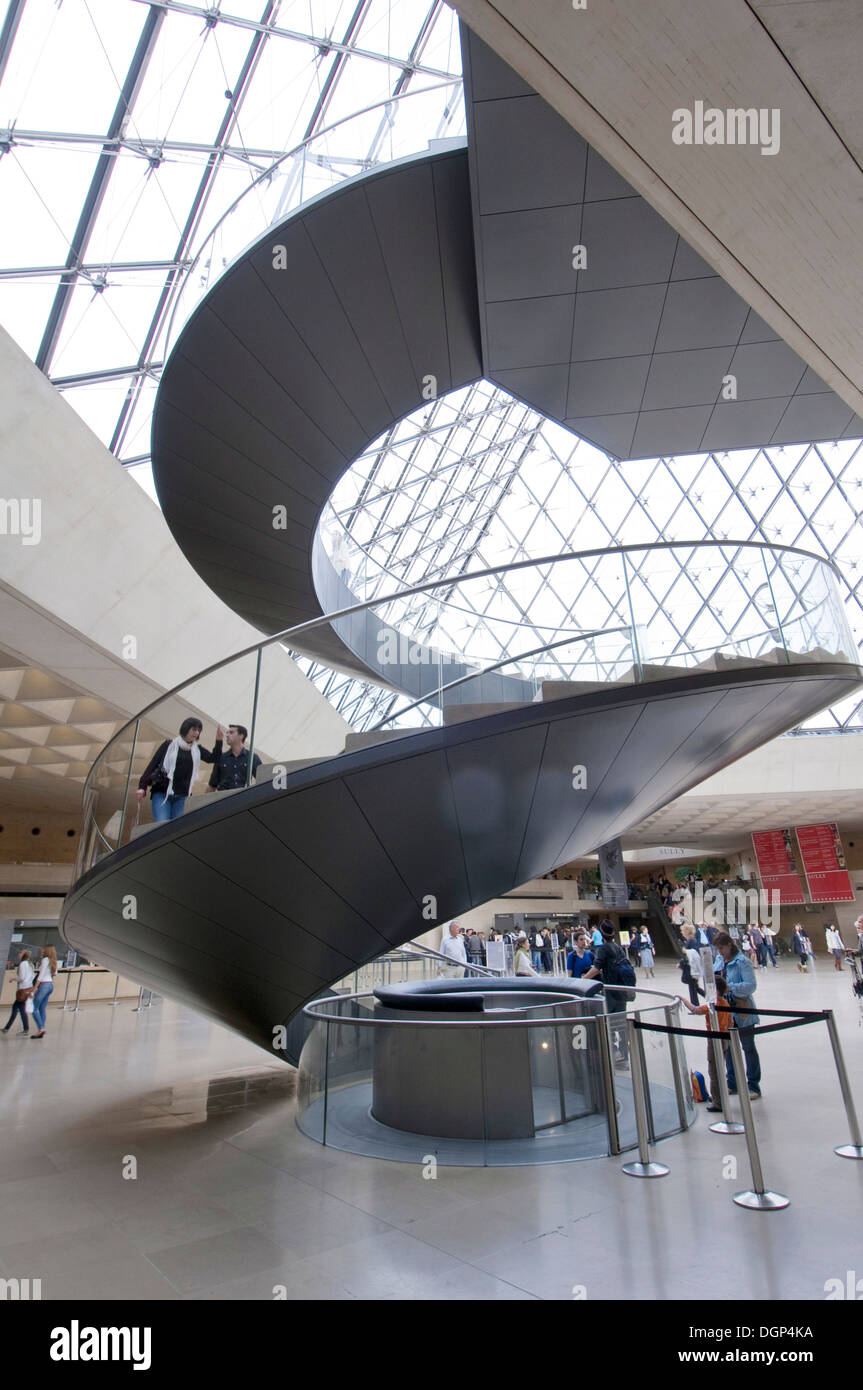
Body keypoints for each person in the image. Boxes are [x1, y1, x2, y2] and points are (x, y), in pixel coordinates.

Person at [136, 717, 218, 822]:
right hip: (162, 792)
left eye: (198, 730)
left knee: (175, 829)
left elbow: (213, 758)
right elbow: (153, 764)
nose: (196, 733)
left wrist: (219, 741)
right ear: (186, 728)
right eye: (194, 729)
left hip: (182, 796)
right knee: (161, 824)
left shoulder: (197, 750)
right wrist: (142, 787)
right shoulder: (169, 745)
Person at [712, 930, 761, 1099]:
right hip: (725, 1012)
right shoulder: (719, 960)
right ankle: (732, 1083)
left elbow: (750, 986)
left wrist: (729, 987)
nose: (720, 952)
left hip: (742, 1010)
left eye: (721, 948)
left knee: (748, 1047)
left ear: (729, 945)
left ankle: (753, 1085)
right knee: (730, 1050)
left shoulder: (743, 962)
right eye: (717, 949)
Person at [679, 974, 732, 1112]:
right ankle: (719, 1096)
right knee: (720, 1068)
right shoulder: (726, 1003)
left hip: (714, 1039)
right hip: (725, 1039)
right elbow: (730, 1022)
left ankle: (718, 1102)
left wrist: (684, 1000)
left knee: (714, 1071)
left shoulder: (713, 1005)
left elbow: (696, 1010)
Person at [584, 924, 631, 1061]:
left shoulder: (603, 949)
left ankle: (612, 1052)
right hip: (622, 990)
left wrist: (583, 979)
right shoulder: (618, 947)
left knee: (608, 1022)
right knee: (621, 1022)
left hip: (611, 990)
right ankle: (624, 1054)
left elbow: (597, 968)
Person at [208, 723, 262, 791]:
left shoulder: (252, 757)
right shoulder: (221, 758)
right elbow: (212, 785)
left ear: (241, 736)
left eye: (231, 733)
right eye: (227, 733)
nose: (227, 735)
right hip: (223, 798)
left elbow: (262, 779)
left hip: (244, 798)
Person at [2, 949, 35, 1034]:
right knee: (19, 1009)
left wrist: (13, 979)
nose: (18, 954)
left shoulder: (23, 964)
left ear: (24, 954)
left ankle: (8, 1028)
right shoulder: (30, 964)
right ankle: (9, 1028)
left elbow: (22, 977)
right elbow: (32, 976)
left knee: (17, 1008)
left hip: (22, 991)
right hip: (28, 989)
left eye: (20, 953)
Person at [30, 945, 58, 1039]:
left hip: (44, 985)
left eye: (43, 949)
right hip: (50, 985)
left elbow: (40, 976)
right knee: (42, 1008)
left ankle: (41, 1029)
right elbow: (55, 973)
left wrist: (34, 988)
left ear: (47, 951)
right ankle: (41, 1028)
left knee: (33, 1008)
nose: (42, 950)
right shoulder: (53, 961)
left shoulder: (45, 960)